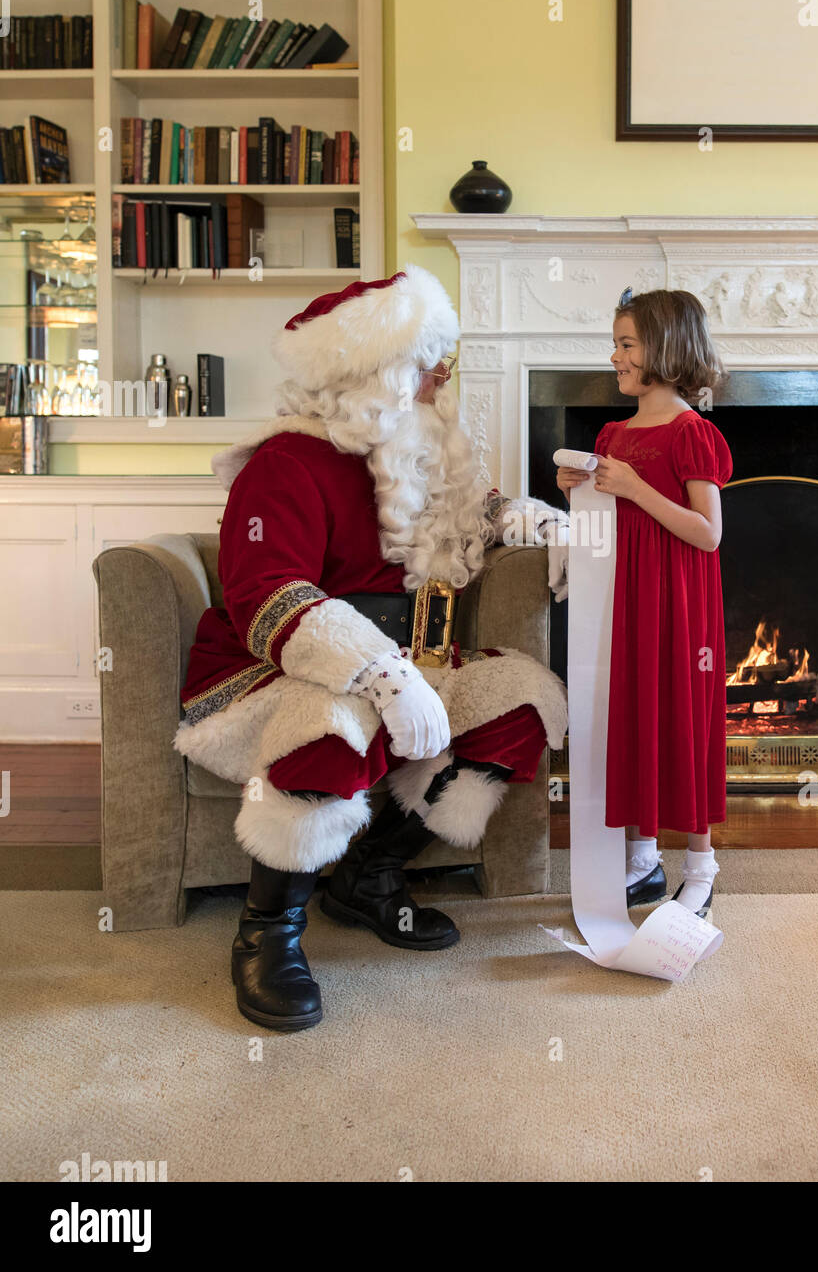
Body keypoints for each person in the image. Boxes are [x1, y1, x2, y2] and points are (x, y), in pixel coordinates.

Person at [175, 266, 568, 1031]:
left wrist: (549, 527)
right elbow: (265, 598)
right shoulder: (283, 464)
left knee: (524, 703)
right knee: (333, 725)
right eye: (427, 361)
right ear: (374, 373)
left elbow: (480, 517)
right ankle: (268, 930)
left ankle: (368, 872)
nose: (441, 376)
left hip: (410, 663)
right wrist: (377, 673)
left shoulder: (414, 452)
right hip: (282, 668)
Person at [555, 288, 731, 916]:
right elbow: (605, 520)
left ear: (662, 347)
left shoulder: (693, 433)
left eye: (626, 344)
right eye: (617, 344)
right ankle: (643, 859)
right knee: (631, 714)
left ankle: (702, 865)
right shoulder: (613, 433)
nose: (615, 356)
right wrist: (581, 486)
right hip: (622, 601)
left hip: (681, 605)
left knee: (682, 716)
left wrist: (633, 487)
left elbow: (707, 533)